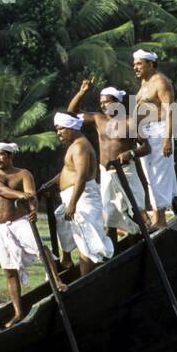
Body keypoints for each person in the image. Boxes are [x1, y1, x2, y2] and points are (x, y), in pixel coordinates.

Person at [66, 79, 151, 241]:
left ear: (117, 102)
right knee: (110, 213)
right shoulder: (99, 120)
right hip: (106, 172)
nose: (104, 106)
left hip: (126, 170)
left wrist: (131, 153)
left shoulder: (130, 122)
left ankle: (151, 236)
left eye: (107, 102)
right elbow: (71, 115)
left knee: (137, 207)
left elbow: (146, 148)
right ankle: (111, 250)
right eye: (101, 103)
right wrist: (82, 92)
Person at [48, 112, 114, 274]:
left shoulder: (79, 146)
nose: (59, 133)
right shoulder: (75, 145)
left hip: (82, 199)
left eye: (61, 129)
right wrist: (49, 185)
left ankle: (87, 282)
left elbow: (81, 176)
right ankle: (67, 258)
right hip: (74, 197)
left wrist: (73, 203)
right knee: (62, 219)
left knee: (87, 243)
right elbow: (68, 170)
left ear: (71, 127)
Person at [0, 142, 40, 322]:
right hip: (0, 226)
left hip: (19, 221)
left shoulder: (23, 174)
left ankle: (57, 281)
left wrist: (33, 209)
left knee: (40, 249)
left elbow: (31, 195)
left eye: (1, 155)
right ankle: (18, 312)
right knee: (9, 270)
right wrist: (20, 195)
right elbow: (1, 190)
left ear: (10, 156)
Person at [132, 49, 177, 228]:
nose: (135, 67)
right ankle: (157, 217)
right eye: (134, 64)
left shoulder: (161, 82)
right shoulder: (144, 83)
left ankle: (161, 220)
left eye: (139, 63)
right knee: (149, 176)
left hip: (159, 132)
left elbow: (170, 111)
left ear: (150, 64)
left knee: (159, 175)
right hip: (146, 134)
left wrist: (167, 139)